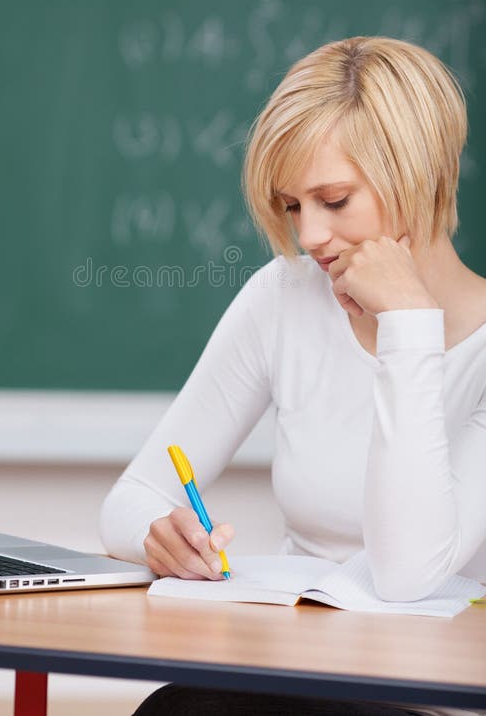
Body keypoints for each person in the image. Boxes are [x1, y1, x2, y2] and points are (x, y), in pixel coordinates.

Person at [99, 37, 486, 716]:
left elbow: (404, 576)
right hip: (292, 675)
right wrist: (158, 533)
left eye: (334, 200)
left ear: (421, 177)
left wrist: (410, 325)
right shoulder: (284, 297)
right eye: (292, 206)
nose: (309, 236)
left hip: (430, 696)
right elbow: (130, 497)